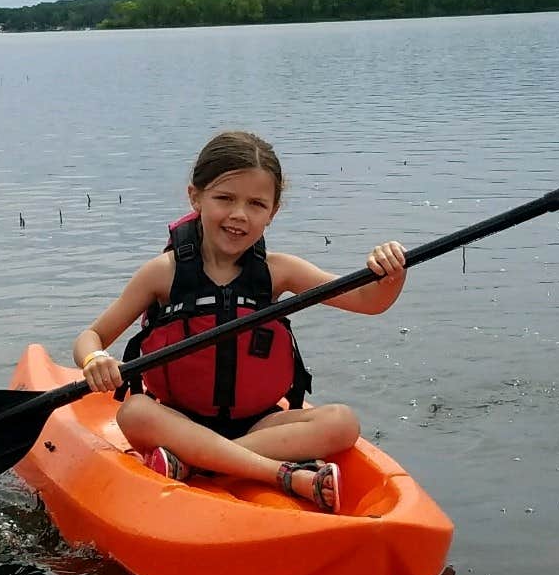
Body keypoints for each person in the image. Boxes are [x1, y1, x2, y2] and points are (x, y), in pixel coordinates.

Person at [74, 130, 407, 514]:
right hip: (177, 421)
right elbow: (92, 335)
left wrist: (392, 272)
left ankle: (198, 465)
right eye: (224, 198)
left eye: (256, 204)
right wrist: (94, 359)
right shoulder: (162, 274)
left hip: (259, 428)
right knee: (133, 412)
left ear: (273, 211)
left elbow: (369, 300)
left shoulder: (278, 271)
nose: (239, 215)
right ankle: (284, 475)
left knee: (343, 422)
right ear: (195, 196)